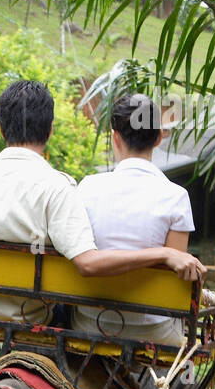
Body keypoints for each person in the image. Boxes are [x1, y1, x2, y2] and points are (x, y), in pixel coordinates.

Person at [0, 79, 206, 380]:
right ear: (50, 130)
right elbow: (85, 261)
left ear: (1, 129)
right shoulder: (58, 187)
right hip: (31, 319)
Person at [74, 93, 196, 345]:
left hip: (90, 322)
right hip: (154, 329)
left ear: (115, 138)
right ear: (159, 137)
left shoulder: (87, 188)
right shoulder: (176, 196)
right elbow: (177, 273)